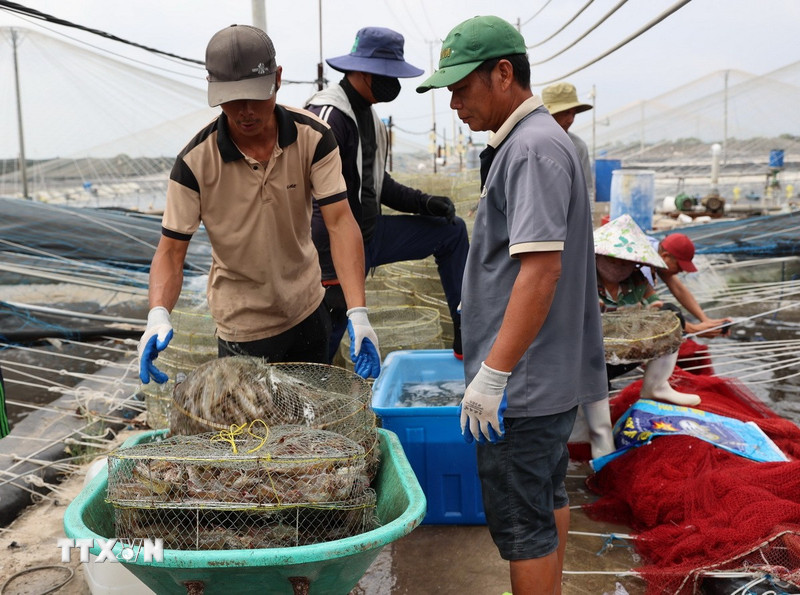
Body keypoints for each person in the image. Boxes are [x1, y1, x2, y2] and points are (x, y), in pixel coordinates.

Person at [417, 16, 607, 593]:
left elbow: (541, 271)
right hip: (546, 374)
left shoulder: (530, 149)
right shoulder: (545, 141)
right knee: (546, 499)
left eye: (461, 88)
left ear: (503, 73)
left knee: (522, 527)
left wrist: (493, 375)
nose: (455, 104)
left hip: (522, 383)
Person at [137, 24, 381, 384]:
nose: (245, 111)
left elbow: (340, 222)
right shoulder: (194, 163)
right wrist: (158, 313)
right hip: (242, 327)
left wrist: (358, 312)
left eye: (255, 95)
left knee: (311, 416)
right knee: (251, 420)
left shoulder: (314, 137)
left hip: (307, 308)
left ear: (278, 78)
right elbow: (171, 252)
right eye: (232, 99)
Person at [305, 26, 469, 361]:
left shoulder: (371, 118)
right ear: (362, 71)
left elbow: (379, 184)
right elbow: (315, 201)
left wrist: (426, 203)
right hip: (333, 247)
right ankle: (313, 377)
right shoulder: (329, 116)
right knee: (323, 342)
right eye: (387, 75)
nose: (393, 83)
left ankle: (466, 329)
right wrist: (331, 273)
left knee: (451, 232)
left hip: (370, 234)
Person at [595, 215, 701, 407]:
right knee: (597, 390)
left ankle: (656, 386)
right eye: (612, 259)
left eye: (625, 261)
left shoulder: (637, 279)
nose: (619, 264)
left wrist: (656, 312)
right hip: (588, 355)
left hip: (623, 351)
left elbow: (656, 305)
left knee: (672, 314)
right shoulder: (583, 276)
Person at [646, 233, 732, 337]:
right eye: (679, 266)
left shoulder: (658, 251)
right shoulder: (643, 264)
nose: (681, 271)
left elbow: (678, 288)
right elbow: (648, 308)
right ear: (665, 256)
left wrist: (705, 320)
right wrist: (694, 329)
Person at [542, 82, 594, 204]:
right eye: (565, 113)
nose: (571, 120)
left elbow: (586, 190)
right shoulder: (530, 143)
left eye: (573, 114)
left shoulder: (578, 147)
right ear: (550, 114)